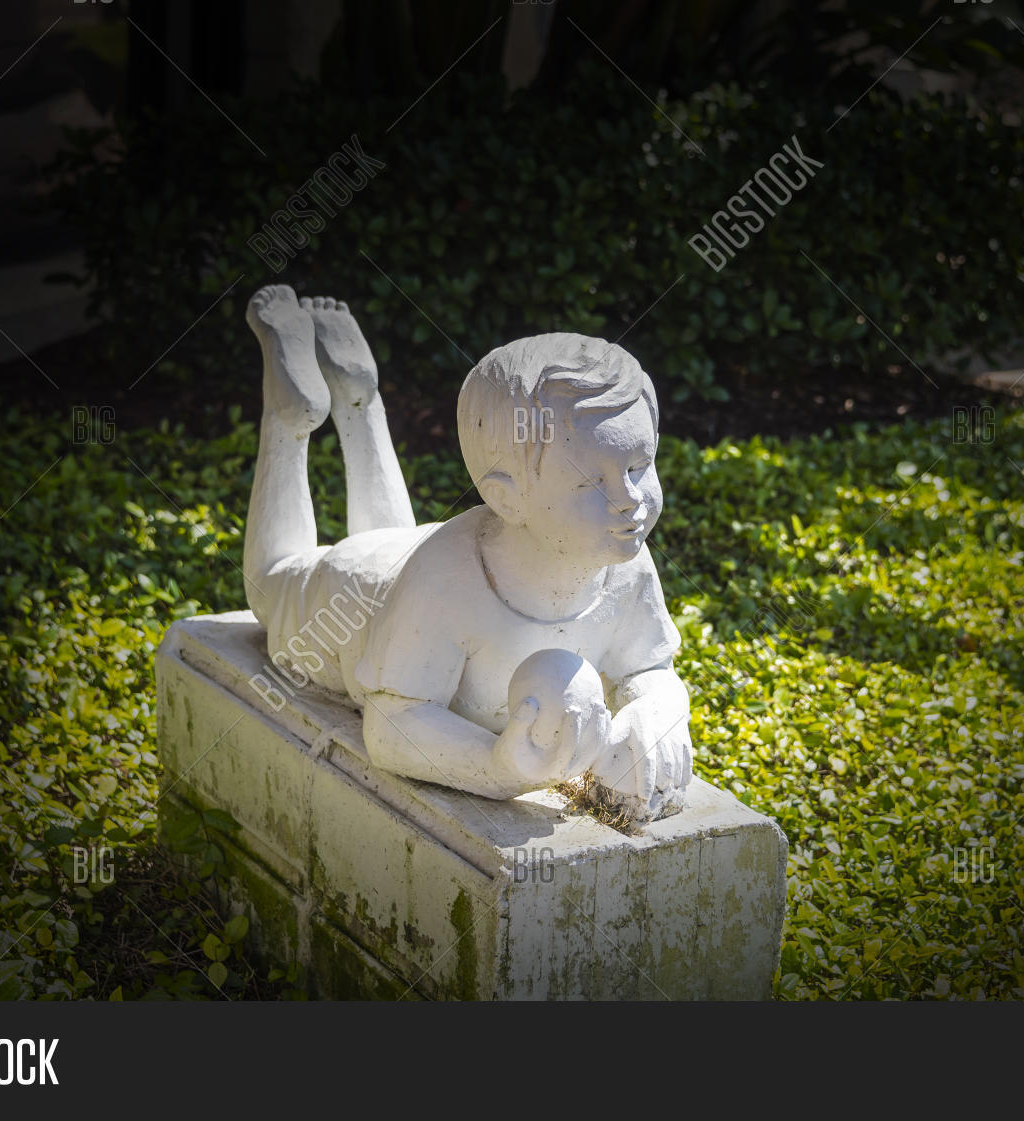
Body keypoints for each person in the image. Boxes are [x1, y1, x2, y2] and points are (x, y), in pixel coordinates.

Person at [242, 284, 692, 822]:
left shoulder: (620, 554)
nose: (631, 500)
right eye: (592, 484)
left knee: (398, 540)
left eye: (639, 466)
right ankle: (290, 418)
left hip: (406, 555)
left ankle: (361, 400)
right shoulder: (445, 583)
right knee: (270, 583)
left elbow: (651, 668)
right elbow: (392, 723)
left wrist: (655, 712)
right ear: (505, 497)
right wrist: (497, 768)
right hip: (345, 595)